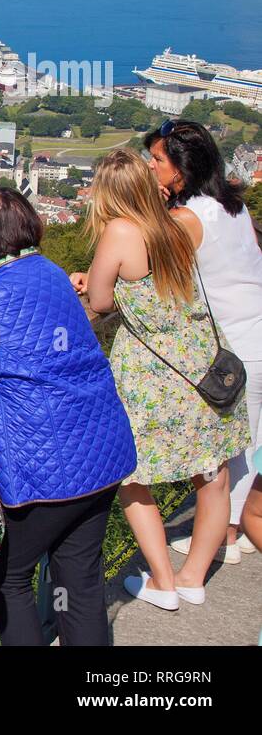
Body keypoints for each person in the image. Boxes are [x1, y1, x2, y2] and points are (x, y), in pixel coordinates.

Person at [0, 188, 136, 645]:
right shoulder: (52, 273)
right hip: (100, 451)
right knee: (79, 584)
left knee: (7, 577)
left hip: (38, 469)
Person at [71, 149, 249, 611]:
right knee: (213, 476)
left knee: (130, 477)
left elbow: (105, 301)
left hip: (154, 375)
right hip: (206, 366)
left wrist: (88, 281)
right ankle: (193, 578)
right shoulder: (178, 223)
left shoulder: (119, 230)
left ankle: (163, 582)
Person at [145, 119, 262, 564]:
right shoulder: (233, 205)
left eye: (157, 160)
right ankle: (231, 531)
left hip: (232, 344)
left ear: (182, 167)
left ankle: (223, 538)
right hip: (257, 330)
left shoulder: (186, 218)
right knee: (249, 443)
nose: (150, 166)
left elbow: (149, 269)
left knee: (226, 445)